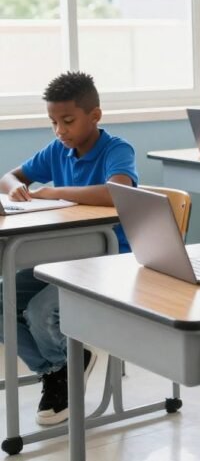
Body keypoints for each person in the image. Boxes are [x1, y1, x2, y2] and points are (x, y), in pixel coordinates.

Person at [0, 71, 138, 425]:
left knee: (38, 311)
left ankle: (67, 366)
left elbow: (116, 193)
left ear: (95, 115)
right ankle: (57, 369)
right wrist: (15, 187)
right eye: (53, 122)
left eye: (67, 120)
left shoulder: (117, 149)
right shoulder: (57, 149)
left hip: (109, 259)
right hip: (64, 255)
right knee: (3, 299)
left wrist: (54, 192)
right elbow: (9, 176)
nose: (60, 130)